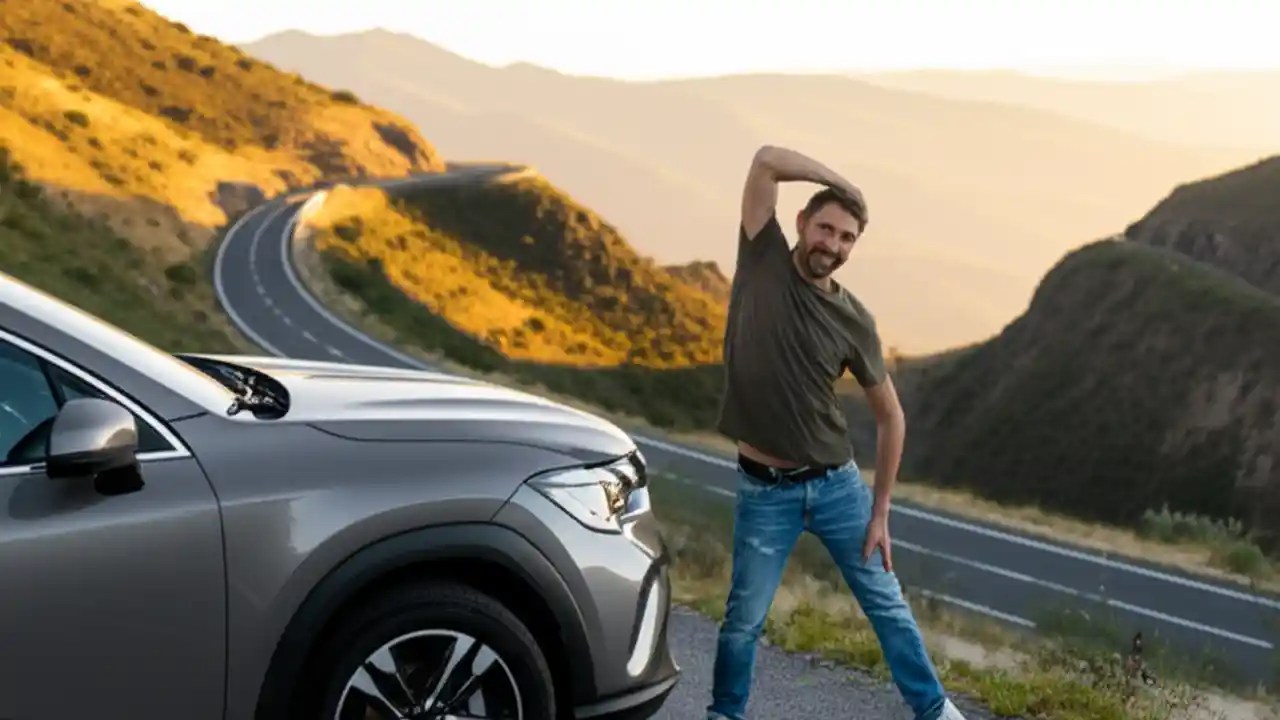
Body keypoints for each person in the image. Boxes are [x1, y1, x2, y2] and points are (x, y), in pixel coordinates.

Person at [705, 144, 966, 720]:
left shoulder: (854, 320)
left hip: (836, 488)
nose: (834, 245)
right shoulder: (762, 256)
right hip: (762, 491)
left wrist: (880, 513)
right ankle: (724, 715)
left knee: (887, 607)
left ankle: (936, 712)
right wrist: (840, 180)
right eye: (826, 229)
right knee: (743, 619)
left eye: (848, 238)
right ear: (801, 224)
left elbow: (891, 416)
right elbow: (765, 160)